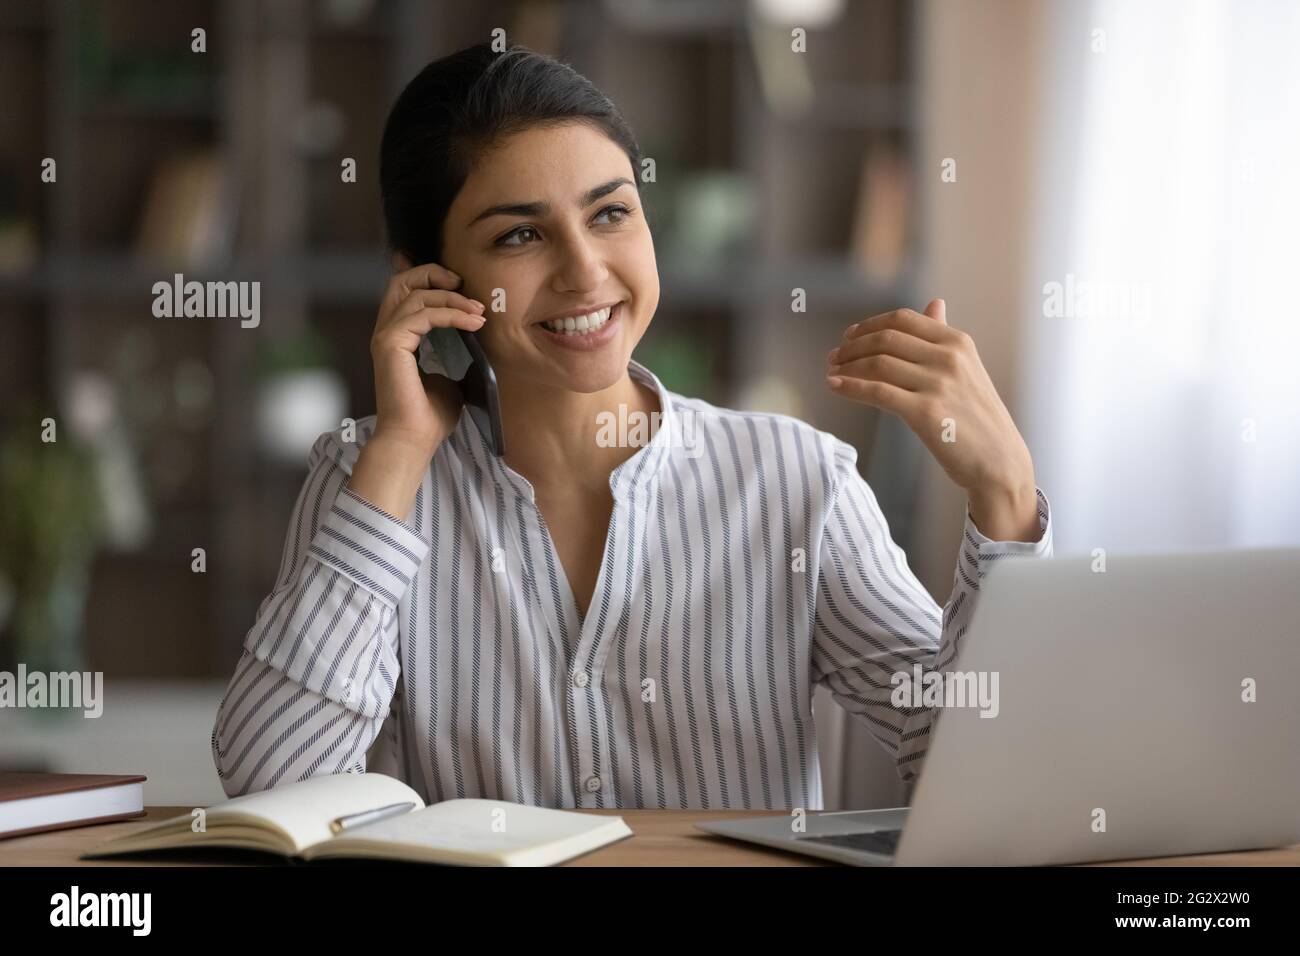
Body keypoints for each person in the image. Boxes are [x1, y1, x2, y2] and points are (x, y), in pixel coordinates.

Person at [211, 42, 1053, 810]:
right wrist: (398, 455)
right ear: (428, 280)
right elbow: (273, 783)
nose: (585, 271)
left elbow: (984, 777)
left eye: (610, 213)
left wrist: (1005, 494)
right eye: (520, 234)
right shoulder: (370, 477)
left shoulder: (798, 482)